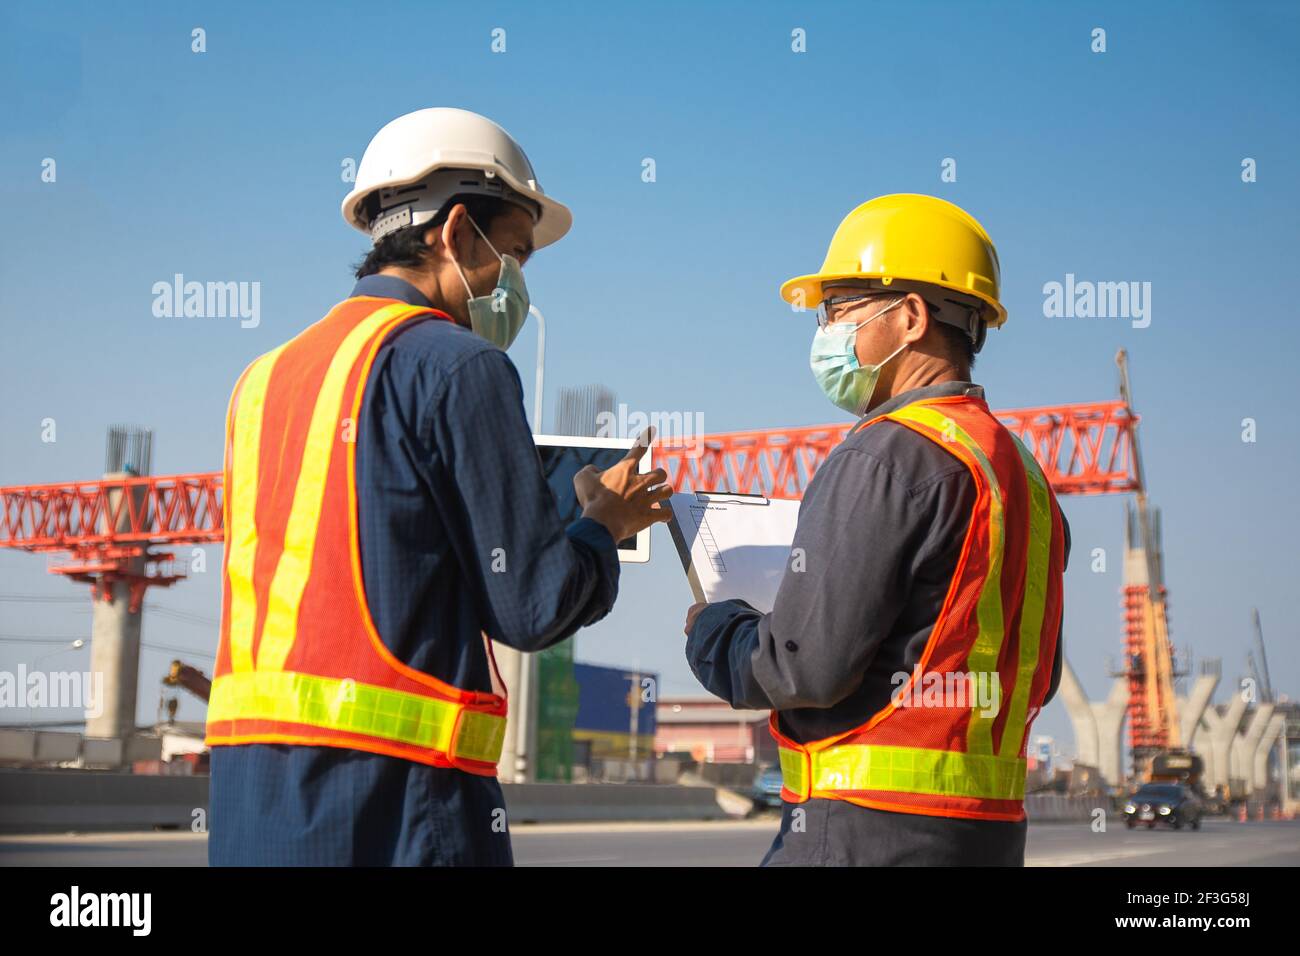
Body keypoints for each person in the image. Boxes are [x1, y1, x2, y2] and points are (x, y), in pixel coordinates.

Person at [206, 108, 670, 866]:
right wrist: (602, 526)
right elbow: (534, 604)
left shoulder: (262, 379)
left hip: (251, 803)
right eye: (515, 252)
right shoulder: (458, 365)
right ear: (455, 232)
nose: (517, 281)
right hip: (397, 807)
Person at [684, 194, 1070, 866]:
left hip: (864, 833)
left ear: (912, 317)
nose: (826, 332)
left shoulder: (884, 455)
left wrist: (715, 633)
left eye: (838, 311)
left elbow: (804, 665)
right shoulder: (1023, 477)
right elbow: (1039, 671)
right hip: (986, 836)